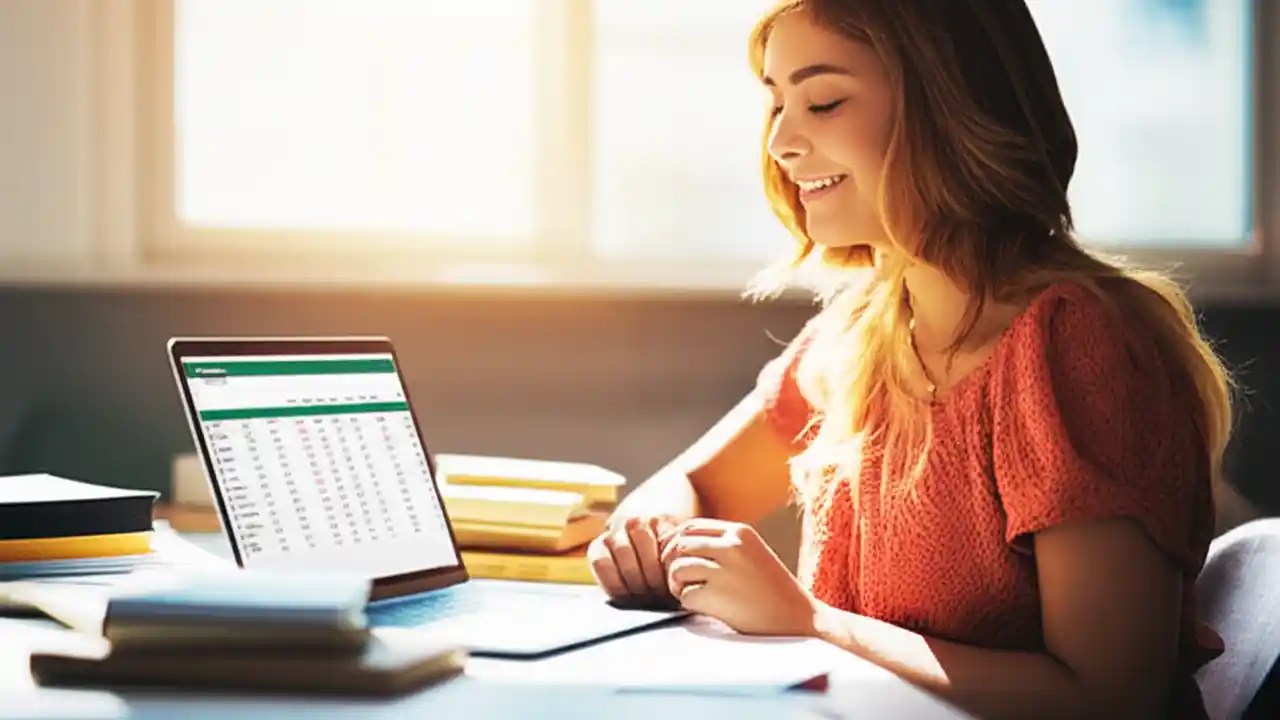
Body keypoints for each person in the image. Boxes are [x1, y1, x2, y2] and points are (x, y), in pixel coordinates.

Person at [585, 1, 1233, 718]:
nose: (781, 143)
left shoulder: (1075, 344)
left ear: (945, 108)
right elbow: (692, 488)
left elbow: (1109, 697)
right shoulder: (861, 333)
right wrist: (649, 534)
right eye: (776, 105)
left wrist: (810, 622)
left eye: (823, 102)